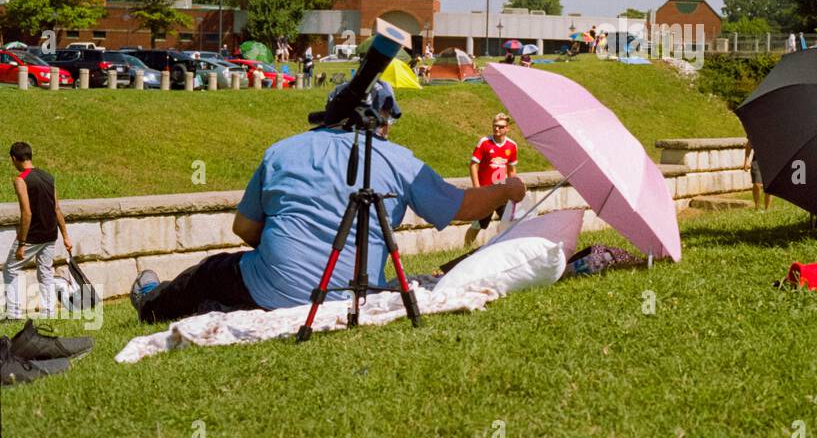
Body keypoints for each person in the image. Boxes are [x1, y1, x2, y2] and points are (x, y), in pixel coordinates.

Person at [129, 81, 524, 323]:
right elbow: (461, 207)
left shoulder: (281, 152)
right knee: (217, 276)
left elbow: (244, 229)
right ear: (380, 122)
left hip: (269, 288)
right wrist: (507, 189)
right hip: (354, 293)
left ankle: (150, 304)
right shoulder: (399, 160)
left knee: (210, 271)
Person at [5, 142, 73, 320]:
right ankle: (49, 313)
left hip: (33, 236)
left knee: (11, 269)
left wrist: (22, 243)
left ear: (14, 158)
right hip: (50, 234)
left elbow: (26, 213)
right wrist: (66, 236)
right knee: (45, 272)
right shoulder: (48, 177)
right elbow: (57, 209)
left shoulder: (21, 180)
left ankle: (13, 314)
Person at [463, 114, 519, 248]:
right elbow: (473, 165)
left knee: (508, 223)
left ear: (507, 128)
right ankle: (466, 247)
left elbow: (511, 169)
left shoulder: (512, 146)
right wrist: (477, 188)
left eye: (500, 127)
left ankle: (505, 248)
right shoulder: (484, 142)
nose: (497, 129)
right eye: (495, 126)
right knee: (479, 224)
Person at [742, 141, 771, 211]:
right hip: (757, 160)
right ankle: (757, 207)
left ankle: (767, 209)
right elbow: (749, 144)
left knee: (769, 186)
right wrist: (746, 160)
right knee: (756, 184)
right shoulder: (756, 130)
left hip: (770, 160)